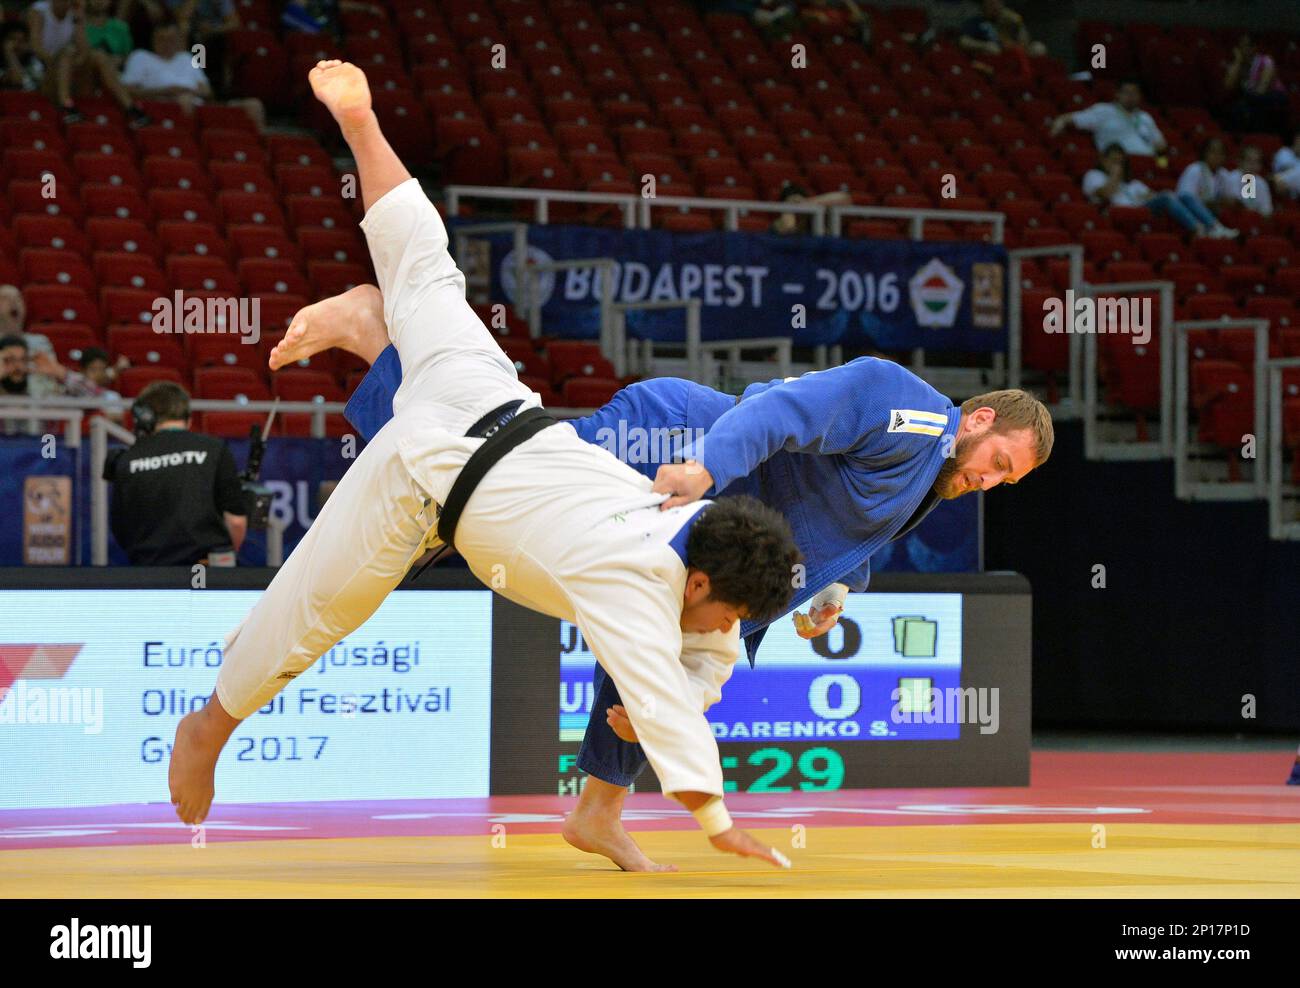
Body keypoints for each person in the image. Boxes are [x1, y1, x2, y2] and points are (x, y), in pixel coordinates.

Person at [167, 61, 803, 870]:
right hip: (422, 481)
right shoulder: (638, 581)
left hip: (488, 390)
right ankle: (208, 728)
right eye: (731, 615)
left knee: (426, 265)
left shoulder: (695, 528)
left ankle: (361, 131)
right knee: (314, 610)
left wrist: (688, 690)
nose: (729, 634)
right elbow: (667, 691)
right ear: (704, 584)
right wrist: (718, 823)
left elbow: (702, 654)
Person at [103, 380, 248, 564]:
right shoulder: (214, 449)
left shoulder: (127, 460)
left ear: (144, 418)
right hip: (208, 573)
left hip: (149, 576)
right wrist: (227, 555)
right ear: (188, 418)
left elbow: (120, 529)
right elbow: (236, 522)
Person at [120, 17, 263, 128]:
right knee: (184, 101)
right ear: (153, 39)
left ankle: (261, 149)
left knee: (254, 105)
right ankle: (192, 141)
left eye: (171, 39)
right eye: (162, 39)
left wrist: (187, 91)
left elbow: (207, 91)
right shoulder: (140, 57)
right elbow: (129, 91)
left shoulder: (188, 57)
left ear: (178, 40)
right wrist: (167, 91)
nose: (167, 43)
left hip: (199, 105)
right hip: (164, 108)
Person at [31, 0, 150, 125]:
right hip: (46, 73)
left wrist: (78, 18)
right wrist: (57, 63)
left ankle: (131, 108)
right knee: (67, 53)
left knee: (98, 55)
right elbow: (36, 48)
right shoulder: (40, 10)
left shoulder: (76, 12)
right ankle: (65, 105)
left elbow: (84, 51)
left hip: (72, 75)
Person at [1083, 144, 1237, 239]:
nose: (1118, 165)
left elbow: (1151, 195)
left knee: (1182, 196)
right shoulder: (1094, 175)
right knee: (1172, 197)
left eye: (1121, 162)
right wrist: (1115, 176)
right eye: (1114, 160)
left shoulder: (1133, 184)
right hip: (1122, 211)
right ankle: (1201, 229)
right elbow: (1104, 194)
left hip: (1142, 208)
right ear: (1103, 160)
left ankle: (1214, 227)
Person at [1050, 79, 1166, 157]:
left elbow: (1161, 146)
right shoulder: (1104, 111)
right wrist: (1060, 122)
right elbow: (1069, 118)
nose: (1131, 97)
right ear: (1117, 94)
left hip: (1146, 162)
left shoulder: (1145, 117)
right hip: (1118, 164)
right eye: (1127, 92)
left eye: (1134, 93)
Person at [1223, 33, 1288, 136]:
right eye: (1240, 46)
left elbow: (1261, 91)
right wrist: (1238, 62)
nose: (1242, 49)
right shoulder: (1238, 65)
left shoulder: (1266, 61)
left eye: (1245, 45)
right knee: (1237, 107)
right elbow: (1227, 87)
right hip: (1252, 100)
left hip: (1272, 97)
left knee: (1249, 104)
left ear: (1254, 47)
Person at [1175, 137, 1230, 212]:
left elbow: (1227, 200)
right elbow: (1185, 198)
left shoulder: (1224, 174)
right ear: (1205, 153)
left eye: (1220, 153)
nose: (1217, 156)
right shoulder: (1194, 169)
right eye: (1213, 152)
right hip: (1192, 212)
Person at [1219, 144, 1274, 217]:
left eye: (1256, 162)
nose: (1253, 165)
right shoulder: (1232, 178)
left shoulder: (1261, 183)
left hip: (1254, 220)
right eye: (1249, 161)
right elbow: (1235, 205)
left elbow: (1267, 211)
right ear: (1240, 162)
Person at [0, 21, 48, 91]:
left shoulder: (32, 60)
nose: (17, 44)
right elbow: (16, 80)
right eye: (12, 39)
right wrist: (9, 53)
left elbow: (43, 84)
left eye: (21, 41)